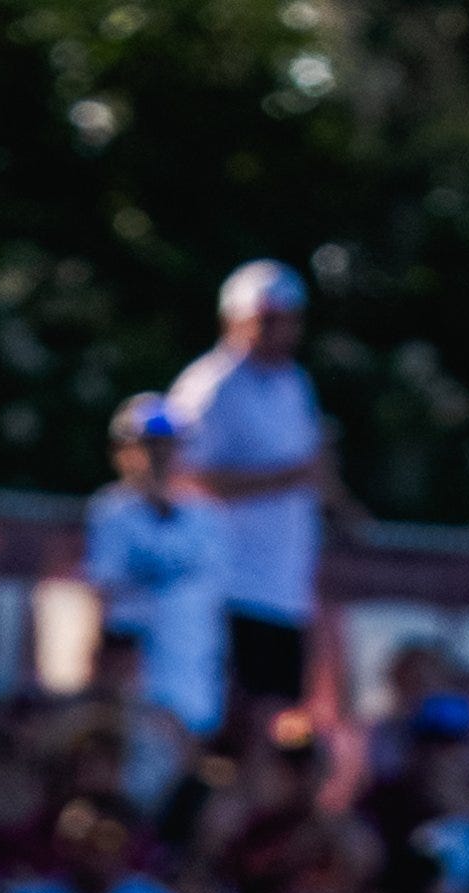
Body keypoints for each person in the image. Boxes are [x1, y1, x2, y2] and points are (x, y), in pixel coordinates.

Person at [167, 262, 326, 720]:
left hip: (284, 588)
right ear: (233, 320)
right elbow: (184, 477)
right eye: (265, 319)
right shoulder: (210, 386)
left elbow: (312, 470)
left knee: (279, 718)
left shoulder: (295, 383)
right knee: (235, 721)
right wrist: (285, 478)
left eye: (286, 319)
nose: (277, 331)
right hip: (229, 584)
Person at [83, 397, 227, 743]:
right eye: (148, 445)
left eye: (168, 445)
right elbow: (105, 601)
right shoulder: (112, 514)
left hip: (193, 682)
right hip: (135, 689)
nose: (159, 456)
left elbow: (215, 605)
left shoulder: (208, 519)